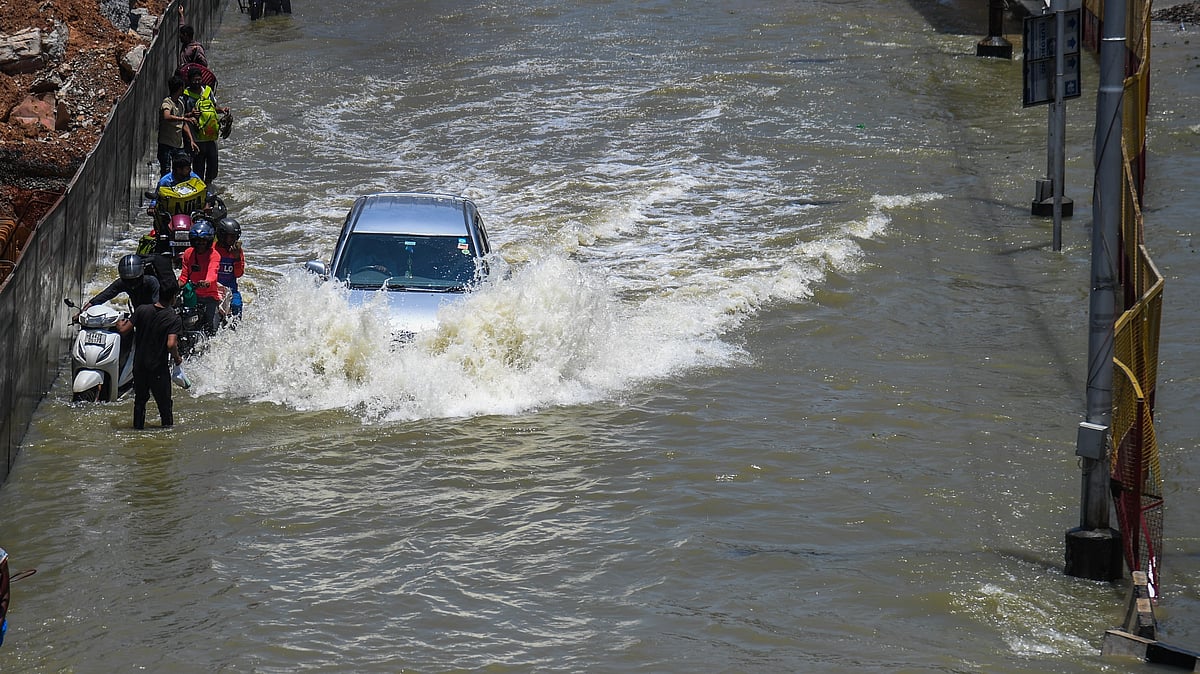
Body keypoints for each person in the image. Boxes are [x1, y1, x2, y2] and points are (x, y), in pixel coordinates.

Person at [118, 284, 184, 430]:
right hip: (158, 368)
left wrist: (119, 323)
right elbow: (171, 344)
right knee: (164, 405)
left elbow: (124, 330)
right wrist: (177, 358)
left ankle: (137, 431)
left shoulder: (142, 310)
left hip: (139, 366)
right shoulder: (173, 318)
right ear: (173, 298)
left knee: (140, 402)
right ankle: (167, 435)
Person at [182, 70, 229, 187]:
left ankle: (208, 185)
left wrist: (222, 110)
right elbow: (181, 115)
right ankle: (200, 189)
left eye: (199, 80)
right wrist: (191, 114)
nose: (197, 82)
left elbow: (213, 107)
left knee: (213, 167)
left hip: (210, 136)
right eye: (194, 80)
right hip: (196, 138)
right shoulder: (185, 95)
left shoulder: (207, 91)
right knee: (198, 167)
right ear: (189, 81)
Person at [178, 221, 222, 334]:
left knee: (212, 328)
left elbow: (212, 271)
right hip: (192, 295)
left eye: (203, 241)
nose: (200, 244)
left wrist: (207, 282)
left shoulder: (214, 255)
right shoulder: (188, 253)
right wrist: (174, 286)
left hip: (210, 296)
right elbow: (184, 276)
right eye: (197, 241)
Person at [79, 254, 160, 313]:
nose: (131, 285)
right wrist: (82, 312)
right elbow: (104, 296)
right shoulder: (122, 283)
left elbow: (156, 305)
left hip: (153, 315)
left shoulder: (151, 282)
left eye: (134, 280)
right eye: (127, 281)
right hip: (138, 313)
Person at [157, 76, 196, 177]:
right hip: (166, 144)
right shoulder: (167, 102)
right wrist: (183, 119)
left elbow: (184, 125)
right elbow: (166, 116)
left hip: (178, 145)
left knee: (182, 171)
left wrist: (191, 140)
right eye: (183, 88)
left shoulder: (181, 103)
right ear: (179, 88)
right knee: (166, 171)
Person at [214, 217, 246, 321]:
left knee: (237, 304)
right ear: (222, 236)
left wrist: (237, 258)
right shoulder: (212, 249)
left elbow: (238, 274)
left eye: (235, 237)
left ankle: (235, 327)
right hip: (213, 288)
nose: (233, 240)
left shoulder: (237, 251)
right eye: (231, 237)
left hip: (230, 289)